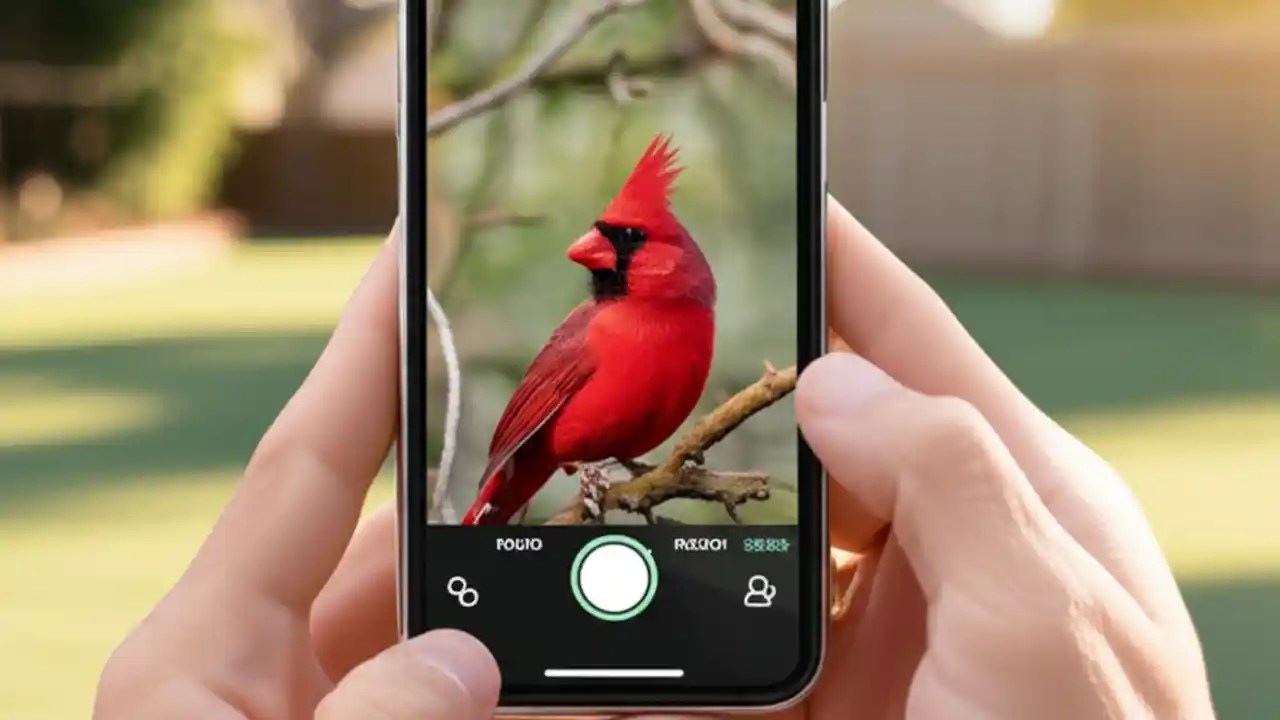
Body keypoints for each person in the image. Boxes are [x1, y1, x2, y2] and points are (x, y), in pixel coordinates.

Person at [94, 200, 1215, 719]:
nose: (599, 250)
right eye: (604, 241)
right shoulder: (594, 330)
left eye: (624, 241)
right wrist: (557, 486)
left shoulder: (692, 331)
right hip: (547, 468)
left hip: (628, 467)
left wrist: (657, 477)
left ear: (668, 258)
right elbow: (539, 419)